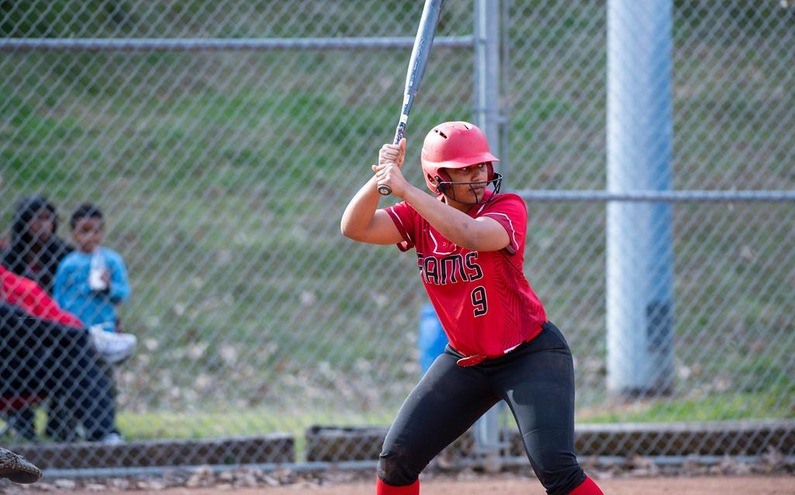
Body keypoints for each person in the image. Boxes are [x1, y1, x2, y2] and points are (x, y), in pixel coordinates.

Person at [340, 121, 604, 495]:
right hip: (465, 361)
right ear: (438, 177)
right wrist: (383, 176)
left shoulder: (507, 207)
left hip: (529, 354)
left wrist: (406, 188)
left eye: (481, 165)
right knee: (396, 460)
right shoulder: (418, 217)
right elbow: (354, 227)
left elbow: (471, 234)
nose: (478, 175)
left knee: (556, 468)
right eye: (464, 169)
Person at [0, 264, 123, 444]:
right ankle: (89, 337)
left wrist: (75, 333)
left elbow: (55, 316)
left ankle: (104, 435)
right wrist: (80, 334)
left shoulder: (15, 285)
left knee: (72, 353)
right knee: (8, 315)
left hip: (20, 371)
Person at [54, 203, 133, 353]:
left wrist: (110, 286)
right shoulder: (68, 264)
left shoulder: (111, 260)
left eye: (96, 231)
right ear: (73, 233)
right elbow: (59, 297)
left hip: (105, 330)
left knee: (103, 369)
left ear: (102, 232)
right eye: (84, 231)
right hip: (74, 330)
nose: (90, 236)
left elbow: (124, 293)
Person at [2, 195, 73, 295]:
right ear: (24, 222)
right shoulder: (10, 256)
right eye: (37, 218)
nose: (44, 225)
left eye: (48, 218)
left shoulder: (63, 252)